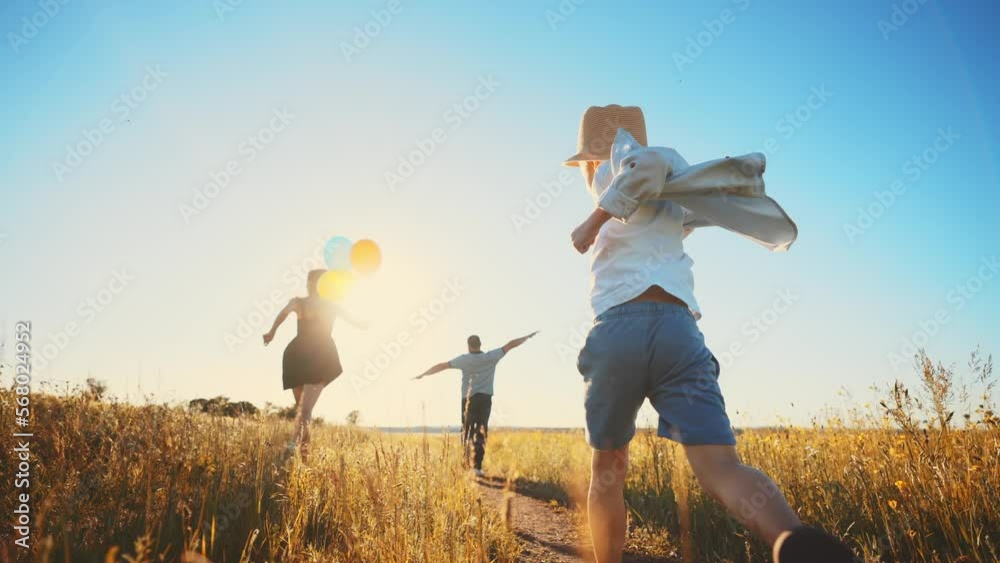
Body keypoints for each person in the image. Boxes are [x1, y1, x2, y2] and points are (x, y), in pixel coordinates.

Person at [564, 105, 853, 562]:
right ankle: (793, 543)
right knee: (721, 468)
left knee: (607, 471)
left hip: (619, 329)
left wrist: (592, 223)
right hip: (678, 333)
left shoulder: (629, 161)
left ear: (591, 158)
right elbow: (669, 200)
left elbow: (651, 164)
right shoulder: (665, 193)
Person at [263, 269, 367, 461]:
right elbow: (282, 314)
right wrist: (272, 332)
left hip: (313, 357)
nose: (309, 285)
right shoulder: (309, 303)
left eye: (312, 282)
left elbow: (355, 320)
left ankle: (295, 450)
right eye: (309, 282)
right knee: (303, 412)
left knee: (303, 412)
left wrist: (272, 332)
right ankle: (301, 455)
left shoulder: (322, 304)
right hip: (306, 357)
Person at [413, 331, 538, 475]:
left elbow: (442, 366)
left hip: (468, 399)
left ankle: (467, 465)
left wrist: (423, 374)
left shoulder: (464, 360)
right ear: (480, 344)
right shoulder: (491, 357)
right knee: (481, 431)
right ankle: (477, 467)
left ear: (468, 346)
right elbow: (510, 345)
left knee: (466, 431)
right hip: (485, 400)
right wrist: (527, 337)